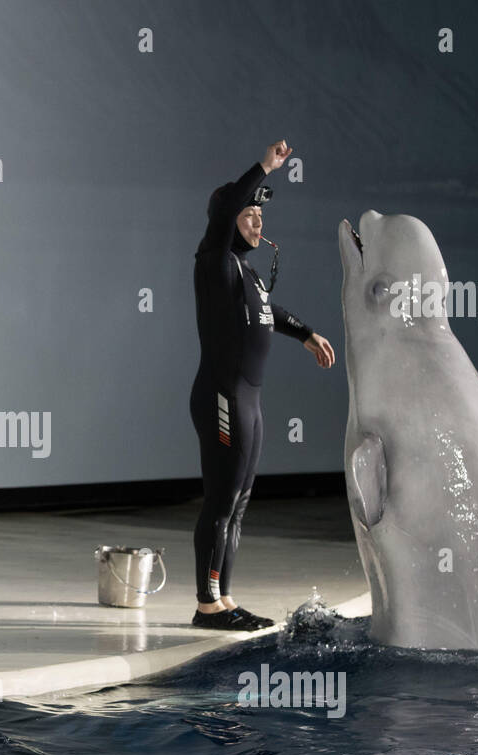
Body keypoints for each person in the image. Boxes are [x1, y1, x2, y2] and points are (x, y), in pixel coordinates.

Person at [189, 140, 335, 631]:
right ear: (228, 219)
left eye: (259, 217)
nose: (257, 223)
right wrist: (264, 167)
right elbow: (228, 207)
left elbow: (274, 314)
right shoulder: (214, 261)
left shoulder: (247, 273)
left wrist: (307, 333)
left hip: (248, 400)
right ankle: (207, 604)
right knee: (221, 499)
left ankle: (224, 597)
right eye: (250, 215)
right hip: (222, 395)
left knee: (239, 502)